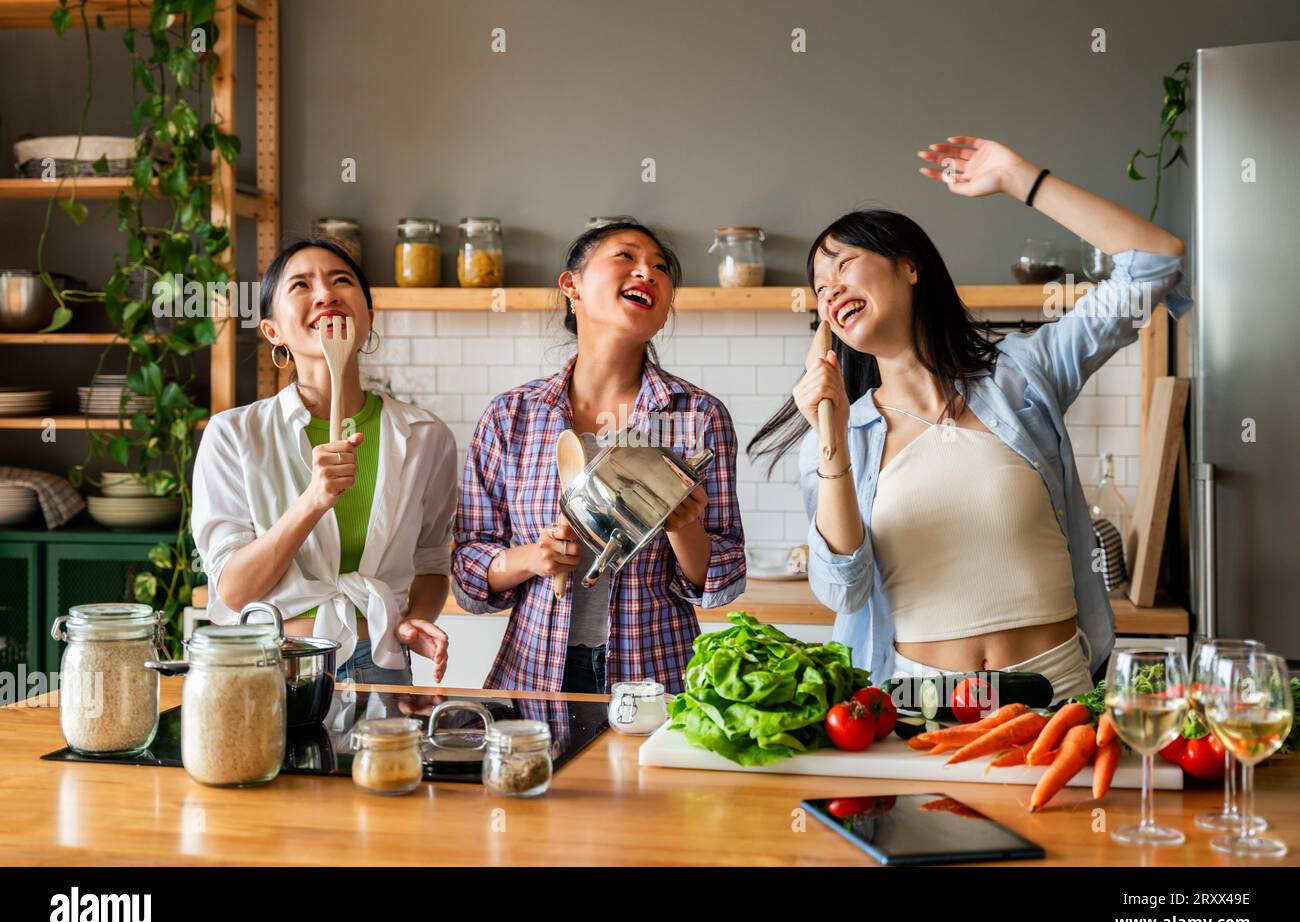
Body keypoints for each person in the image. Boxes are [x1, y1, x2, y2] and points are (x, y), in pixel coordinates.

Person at [748, 136, 1190, 705]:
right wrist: (830, 437)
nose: (830, 288)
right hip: (917, 706)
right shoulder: (835, 439)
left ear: (910, 267)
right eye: (819, 285)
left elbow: (1155, 261)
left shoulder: (1024, 375)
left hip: (1056, 696)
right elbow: (843, 590)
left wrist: (1017, 177)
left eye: (844, 263)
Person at [453, 222, 746, 693]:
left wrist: (681, 525)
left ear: (666, 307)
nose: (646, 272)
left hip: (656, 677)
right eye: (626, 257)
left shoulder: (696, 417)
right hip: (534, 675)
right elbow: (468, 567)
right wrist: (534, 558)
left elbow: (719, 579)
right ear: (572, 286)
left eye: (660, 268)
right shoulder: (512, 416)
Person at [192, 238, 456, 685]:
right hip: (271, 666)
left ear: (369, 316)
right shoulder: (233, 436)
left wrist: (416, 621)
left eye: (341, 281)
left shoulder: (426, 437)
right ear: (273, 330)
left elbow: (431, 562)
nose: (326, 294)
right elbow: (235, 590)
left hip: (382, 664)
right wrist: (312, 501)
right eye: (301, 285)